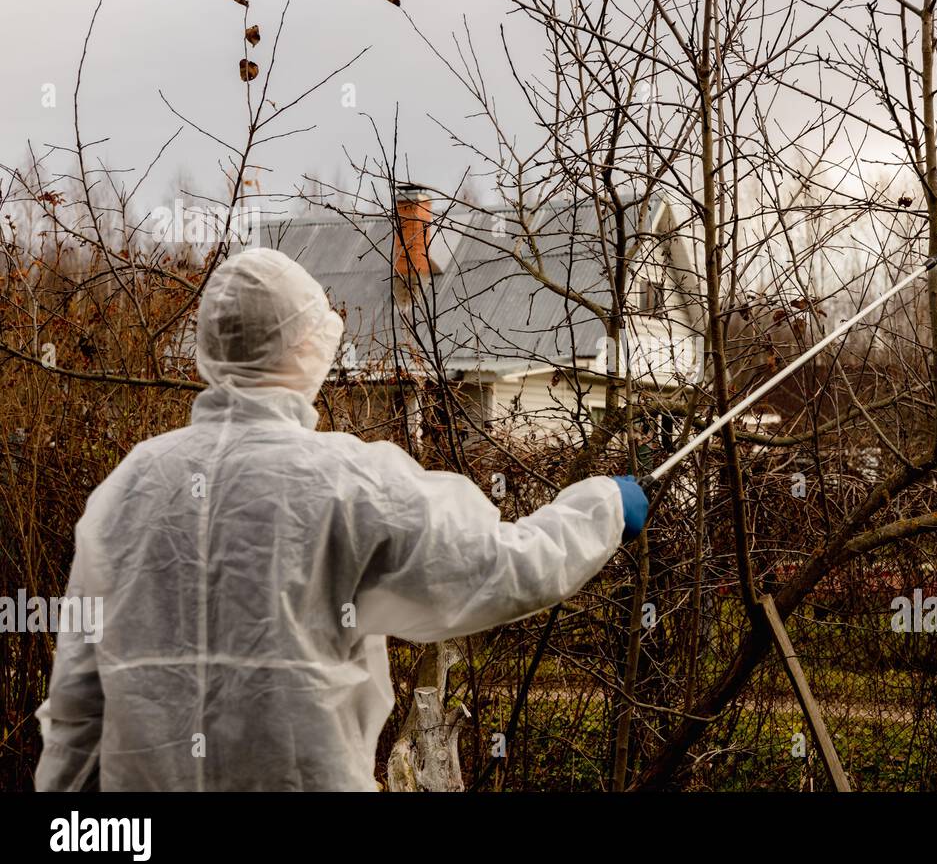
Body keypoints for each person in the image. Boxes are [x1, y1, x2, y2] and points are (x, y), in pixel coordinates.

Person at [34, 248, 648, 791]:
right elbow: (498, 567)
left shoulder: (129, 488)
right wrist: (602, 510)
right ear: (306, 346)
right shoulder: (346, 483)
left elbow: (77, 708)